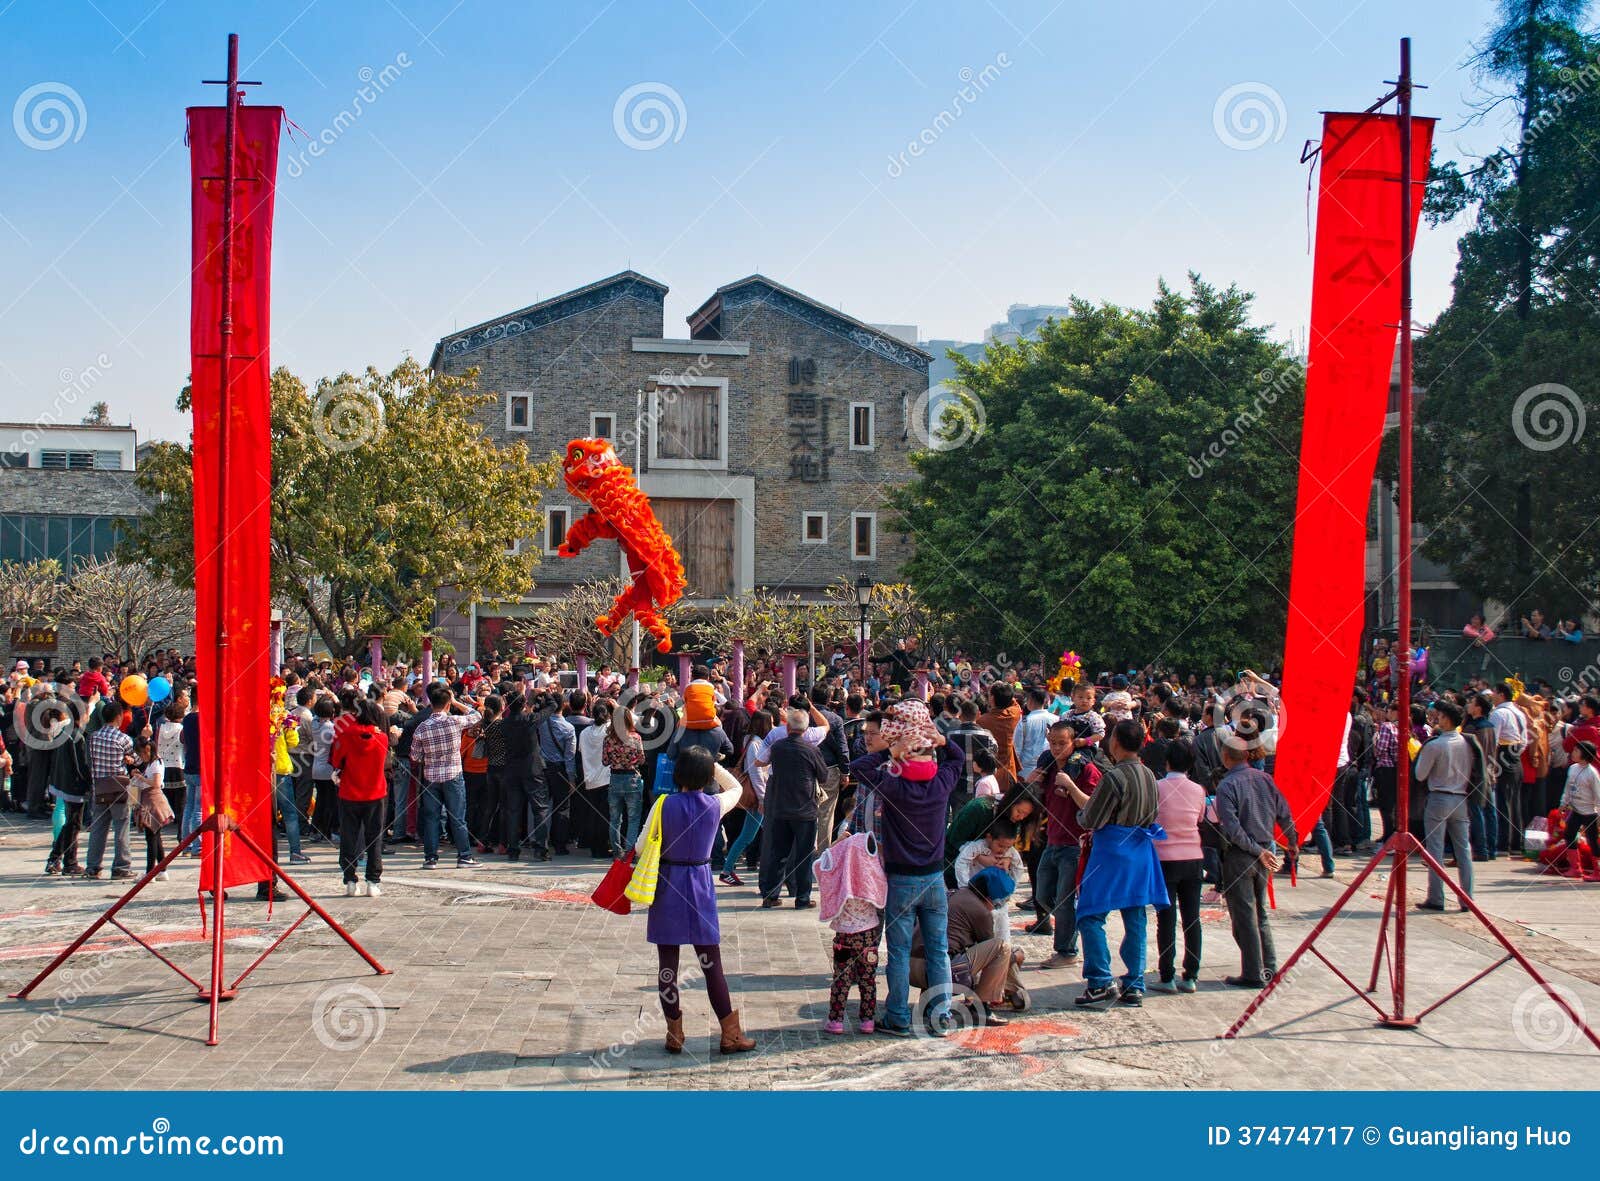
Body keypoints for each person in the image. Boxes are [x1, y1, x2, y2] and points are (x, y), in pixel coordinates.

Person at [850, 699, 966, 1037]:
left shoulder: (895, 786)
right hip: (935, 879)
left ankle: (898, 1016)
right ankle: (941, 1015)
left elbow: (857, 768)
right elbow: (957, 759)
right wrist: (941, 740)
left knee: (899, 952)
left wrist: (891, 751)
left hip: (901, 879)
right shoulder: (941, 784)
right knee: (938, 950)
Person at [640, 746, 755, 1055]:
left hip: (668, 884)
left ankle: (674, 1033)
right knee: (711, 964)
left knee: (667, 966)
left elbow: (639, 848)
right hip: (700, 884)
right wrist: (713, 765)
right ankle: (730, 1035)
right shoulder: (715, 804)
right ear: (707, 776)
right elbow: (736, 788)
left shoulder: (663, 804)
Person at [1063, 719, 1165, 1008]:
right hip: (1141, 850)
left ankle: (1100, 980)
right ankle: (1134, 984)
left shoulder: (1114, 777)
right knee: (1136, 917)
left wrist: (1078, 809)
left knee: (1090, 915)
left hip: (1112, 851)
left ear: (1116, 742)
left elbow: (1092, 817)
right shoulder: (1149, 774)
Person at [1215, 732, 1298, 988]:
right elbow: (1284, 812)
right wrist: (1292, 842)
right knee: (1260, 913)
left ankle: (1253, 972)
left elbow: (1232, 828)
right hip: (1264, 850)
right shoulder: (1265, 779)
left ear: (1225, 756)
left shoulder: (1227, 785)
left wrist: (1255, 850)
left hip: (1242, 854)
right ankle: (1269, 967)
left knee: (1245, 916)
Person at [1028, 717, 1102, 969]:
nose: (1057, 748)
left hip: (1074, 845)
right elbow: (1039, 803)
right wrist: (1031, 783)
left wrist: (1070, 785)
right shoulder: (1048, 769)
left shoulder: (1085, 770)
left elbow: (1091, 806)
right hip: (1052, 840)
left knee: (1063, 900)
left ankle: (1067, 950)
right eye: (1053, 743)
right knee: (1043, 895)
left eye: (1062, 743)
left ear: (1074, 743)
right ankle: (1070, 926)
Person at [909, 867, 1025, 1025]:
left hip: (911, 969)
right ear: (992, 898)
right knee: (1001, 947)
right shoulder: (980, 911)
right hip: (935, 972)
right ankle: (981, 1009)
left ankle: (931, 1001)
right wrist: (1015, 957)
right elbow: (992, 956)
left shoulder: (954, 894)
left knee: (946, 950)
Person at [816, 830, 887, 1034]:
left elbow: (822, 864)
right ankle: (867, 1021)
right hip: (868, 937)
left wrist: (838, 842)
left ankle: (836, 1021)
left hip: (844, 937)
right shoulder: (872, 875)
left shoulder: (839, 876)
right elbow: (883, 865)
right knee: (868, 979)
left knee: (841, 978)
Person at [757, 708, 829, 909]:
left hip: (780, 806)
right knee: (804, 855)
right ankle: (802, 898)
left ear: (787, 727)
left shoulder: (777, 747)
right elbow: (823, 776)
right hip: (805, 808)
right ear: (805, 729)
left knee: (778, 853)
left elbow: (760, 761)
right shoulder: (811, 750)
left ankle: (770, 895)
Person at [410, 682, 483, 870]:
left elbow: (415, 756)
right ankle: (464, 856)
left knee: (431, 818)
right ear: (448, 704)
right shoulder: (454, 721)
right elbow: (477, 716)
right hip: (453, 774)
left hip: (431, 776)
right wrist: (458, 703)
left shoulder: (422, 728)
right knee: (457, 817)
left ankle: (430, 858)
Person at [1152, 738, 1206, 993]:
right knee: (1192, 918)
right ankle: (1191, 975)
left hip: (1164, 858)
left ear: (1167, 762)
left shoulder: (1157, 787)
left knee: (1166, 918)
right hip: (1193, 857)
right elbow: (1200, 818)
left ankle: (1167, 976)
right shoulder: (1198, 790)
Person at [332, 696, 390, 897]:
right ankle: (373, 881)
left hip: (349, 792)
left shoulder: (344, 735)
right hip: (375, 792)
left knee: (349, 836)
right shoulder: (382, 737)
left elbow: (336, 760)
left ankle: (350, 879)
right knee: (375, 838)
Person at [83, 697, 136, 880]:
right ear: (118, 717)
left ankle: (93, 866)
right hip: (119, 786)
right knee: (121, 826)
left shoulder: (93, 737)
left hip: (99, 786)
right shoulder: (124, 738)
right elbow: (137, 760)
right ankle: (121, 866)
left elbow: (90, 761)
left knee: (98, 828)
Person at [719, 710, 773, 886]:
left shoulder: (752, 742)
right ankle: (727, 870)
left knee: (751, 835)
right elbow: (756, 774)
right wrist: (763, 799)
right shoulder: (756, 744)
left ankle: (727, 870)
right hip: (758, 798)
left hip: (758, 796)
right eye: (771, 722)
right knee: (748, 836)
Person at [603, 706, 646, 857]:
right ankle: (629, 852)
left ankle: (617, 851)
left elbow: (605, 761)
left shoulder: (608, 739)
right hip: (632, 778)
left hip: (615, 778)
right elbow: (642, 759)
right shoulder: (636, 738)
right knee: (633, 818)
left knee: (615, 819)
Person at [130, 735, 173, 880]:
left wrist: (140, 778)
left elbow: (156, 783)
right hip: (150, 800)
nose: (142, 756)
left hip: (153, 801)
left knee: (151, 838)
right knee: (155, 837)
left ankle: (150, 872)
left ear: (148, 750)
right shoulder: (151, 763)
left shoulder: (155, 763)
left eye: (143, 753)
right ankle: (162, 870)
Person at [1559, 740, 1600, 880]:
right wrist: (1563, 803)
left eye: (1576, 751)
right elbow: (1568, 788)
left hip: (1590, 813)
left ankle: (1598, 871)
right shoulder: (1572, 768)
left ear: (1585, 755)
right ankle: (1575, 869)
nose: (1573, 753)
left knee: (1592, 841)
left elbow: (1598, 795)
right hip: (1576, 810)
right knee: (1569, 835)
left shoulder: (1592, 773)